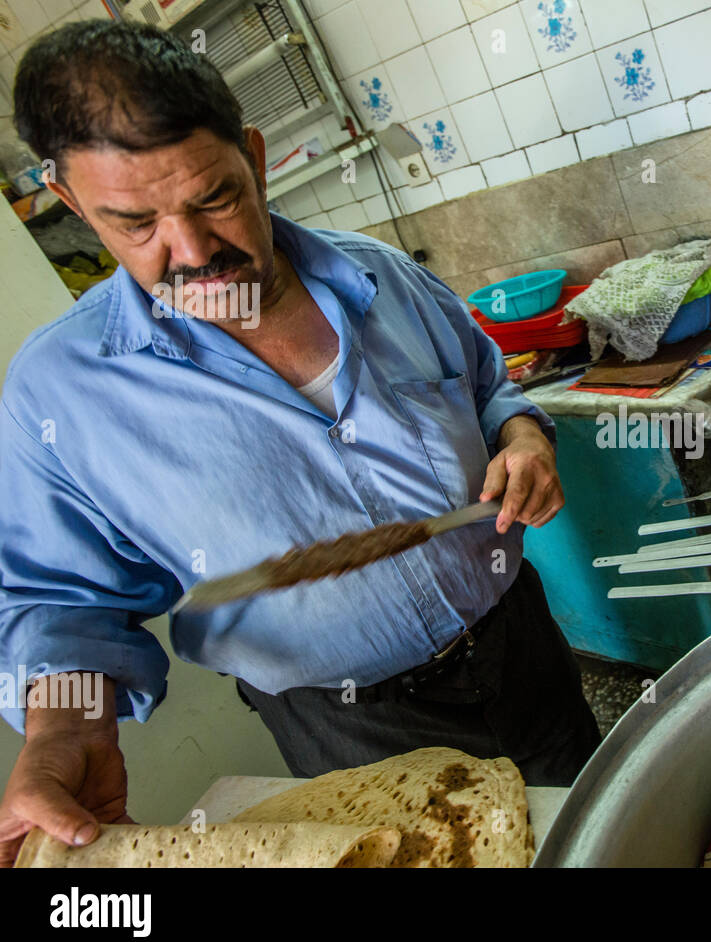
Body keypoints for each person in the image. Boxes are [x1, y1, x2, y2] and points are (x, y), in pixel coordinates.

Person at [0, 20, 600, 867]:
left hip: (520, 644)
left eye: (214, 199)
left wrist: (524, 433)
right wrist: (60, 728)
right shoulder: (60, 395)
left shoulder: (379, 276)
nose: (193, 254)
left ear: (253, 154)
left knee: (593, 832)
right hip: (350, 721)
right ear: (73, 205)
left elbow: (487, 381)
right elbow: (58, 603)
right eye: (135, 223)